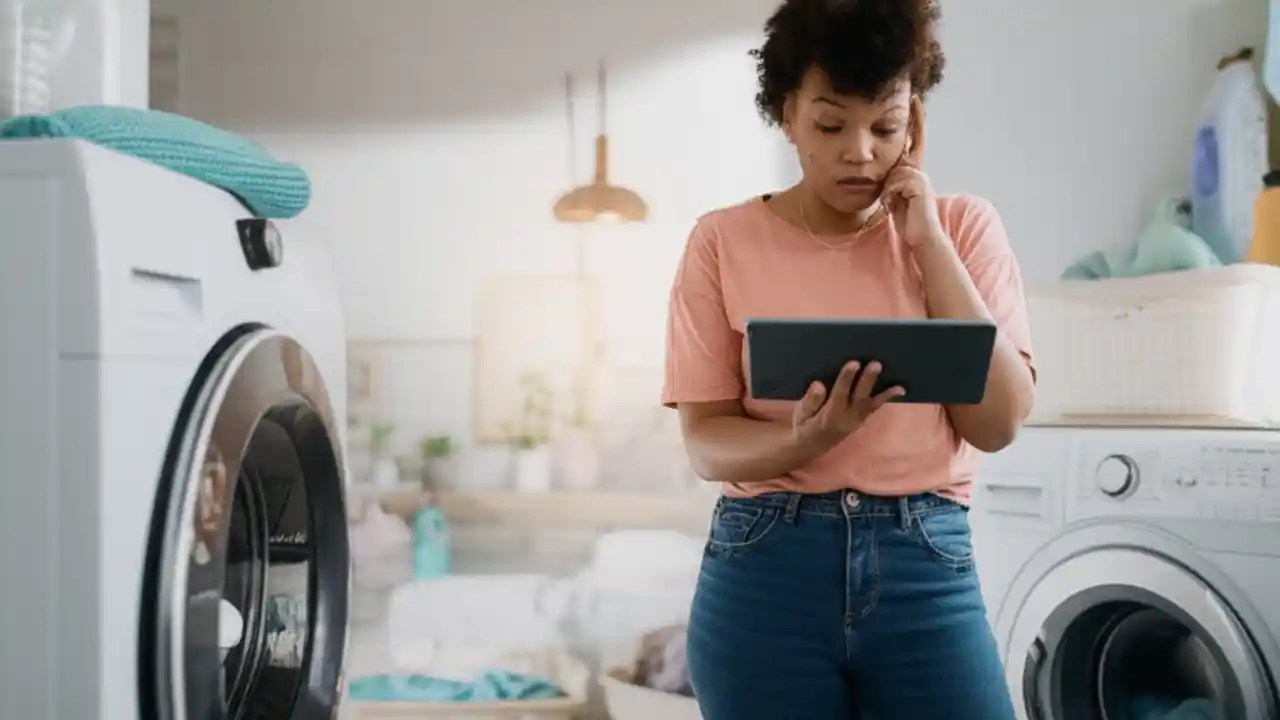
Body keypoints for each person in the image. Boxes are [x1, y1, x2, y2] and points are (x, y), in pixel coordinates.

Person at [660, 0, 1036, 718]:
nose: (860, 151)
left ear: (915, 119)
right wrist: (805, 440)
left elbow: (999, 423)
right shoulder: (720, 241)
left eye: (885, 125)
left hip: (925, 561)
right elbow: (706, 441)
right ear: (786, 115)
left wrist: (926, 241)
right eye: (831, 124)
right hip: (765, 568)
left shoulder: (962, 227)